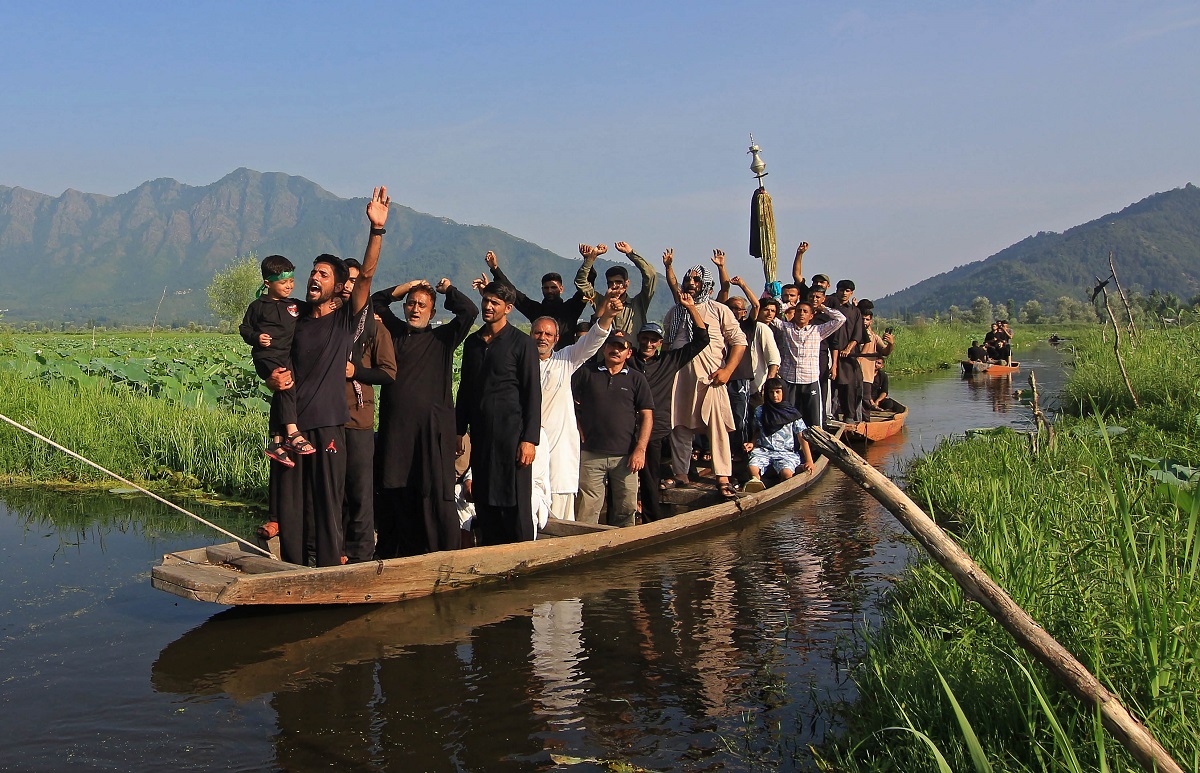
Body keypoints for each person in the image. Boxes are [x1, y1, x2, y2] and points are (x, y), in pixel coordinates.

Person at [263, 186, 391, 567]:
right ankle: (294, 570)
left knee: (327, 503)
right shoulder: (294, 317)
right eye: (313, 272)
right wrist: (270, 377)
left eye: (323, 274)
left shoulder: (344, 319)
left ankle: (331, 571)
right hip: (291, 429)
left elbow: (366, 275)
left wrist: (376, 231)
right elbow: (269, 353)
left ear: (337, 286)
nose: (313, 277)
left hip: (329, 427)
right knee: (292, 507)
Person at [372, 276, 478, 557]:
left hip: (432, 431)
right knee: (396, 490)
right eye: (411, 304)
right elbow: (376, 301)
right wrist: (406, 287)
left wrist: (448, 291)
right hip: (397, 431)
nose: (415, 309)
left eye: (422, 305)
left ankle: (438, 553)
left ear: (432, 313)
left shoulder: (442, 339)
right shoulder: (394, 333)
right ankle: (397, 552)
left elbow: (469, 311)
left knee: (432, 493)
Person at [456, 278, 541, 545]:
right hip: (481, 436)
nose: (488, 306)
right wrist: (459, 431)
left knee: (514, 502)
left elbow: (532, 394)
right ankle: (490, 554)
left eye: (495, 302)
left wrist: (529, 439)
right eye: (486, 300)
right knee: (484, 497)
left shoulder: (521, 344)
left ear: (508, 308)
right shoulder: (473, 344)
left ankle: (522, 557)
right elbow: (465, 391)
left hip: (512, 438)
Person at [531, 286, 623, 522]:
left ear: (556, 339)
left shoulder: (565, 360)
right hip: (528, 449)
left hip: (559, 452)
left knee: (560, 516)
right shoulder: (519, 365)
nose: (543, 338)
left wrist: (608, 316)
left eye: (548, 335)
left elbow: (592, 341)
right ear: (530, 335)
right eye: (538, 333)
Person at [663, 258, 747, 499]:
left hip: (711, 378)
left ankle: (722, 476)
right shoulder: (675, 312)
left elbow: (739, 342)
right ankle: (680, 474)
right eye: (688, 278)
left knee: (717, 426)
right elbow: (668, 345)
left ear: (706, 286)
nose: (691, 283)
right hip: (679, 378)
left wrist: (728, 370)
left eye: (696, 280)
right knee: (678, 425)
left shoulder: (719, 310)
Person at [629, 295, 709, 520]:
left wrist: (692, 309)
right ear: (638, 339)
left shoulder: (669, 361)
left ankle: (651, 520)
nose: (648, 344)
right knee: (623, 477)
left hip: (655, 429)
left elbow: (702, 340)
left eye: (653, 340)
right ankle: (624, 516)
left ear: (660, 342)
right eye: (645, 339)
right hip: (626, 428)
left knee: (650, 478)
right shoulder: (628, 361)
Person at [339, 259, 397, 564]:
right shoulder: (330, 323)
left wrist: (356, 371)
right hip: (328, 419)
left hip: (358, 419)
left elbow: (388, 373)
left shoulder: (375, 329)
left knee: (360, 491)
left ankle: (361, 554)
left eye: (354, 281)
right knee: (334, 492)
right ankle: (334, 550)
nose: (349, 286)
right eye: (345, 281)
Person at [572, 330, 655, 527]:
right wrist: (576, 426)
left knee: (626, 508)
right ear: (604, 347)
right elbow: (568, 402)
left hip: (626, 456)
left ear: (629, 353)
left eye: (621, 347)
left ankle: (623, 550)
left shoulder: (636, 379)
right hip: (591, 453)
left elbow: (647, 416)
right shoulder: (586, 373)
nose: (615, 350)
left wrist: (640, 450)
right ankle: (585, 549)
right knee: (587, 509)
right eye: (612, 345)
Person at [239, 254, 311, 467]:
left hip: (284, 357)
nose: (289, 286)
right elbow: (245, 328)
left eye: (291, 281)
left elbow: (318, 310)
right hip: (266, 357)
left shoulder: (295, 306)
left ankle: (276, 442)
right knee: (286, 384)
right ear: (267, 283)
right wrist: (256, 337)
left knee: (282, 394)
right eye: (283, 283)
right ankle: (292, 432)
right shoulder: (258, 306)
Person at [484, 249, 589, 350]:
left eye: (553, 287)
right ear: (542, 289)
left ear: (561, 289)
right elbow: (513, 292)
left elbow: (586, 288)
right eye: (546, 288)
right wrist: (495, 269)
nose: (550, 291)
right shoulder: (535, 310)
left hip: (565, 362)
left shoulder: (571, 309)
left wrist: (589, 260)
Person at [772, 297, 845, 432]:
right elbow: (771, 316)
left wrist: (822, 308)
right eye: (799, 311)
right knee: (788, 416)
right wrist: (787, 305)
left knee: (814, 419)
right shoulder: (786, 328)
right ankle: (790, 446)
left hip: (809, 380)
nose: (801, 314)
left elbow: (840, 319)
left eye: (805, 311)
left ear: (811, 316)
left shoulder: (818, 331)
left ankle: (816, 447)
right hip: (789, 380)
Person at [742, 378, 815, 493]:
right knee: (752, 468)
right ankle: (757, 486)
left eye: (778, 392)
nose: (774, 395)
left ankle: (783, 486)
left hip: (785, 452)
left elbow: (802, 437)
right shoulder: (760, 411)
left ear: (784, 392)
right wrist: (752, 443)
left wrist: (809, 460)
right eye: (771, 392)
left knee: (786, 473)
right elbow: (757, 430)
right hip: (764, 450)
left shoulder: (792, 413)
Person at [576, 241, 657, 335]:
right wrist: (591, 257)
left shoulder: (639, 304)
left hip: (633, 349)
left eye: (618, 282)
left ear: (627, 283)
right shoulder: (601, 301)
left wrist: (630, 253)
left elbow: (651, 276)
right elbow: (581, 283)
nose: (614, 286)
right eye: (610, 282)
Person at [828, 279, 866, 422]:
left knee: (849, 387)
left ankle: (849, 416)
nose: (844, 293)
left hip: (848, 356)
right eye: (841, 290)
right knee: (831, 387)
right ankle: (830, 416)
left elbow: (858, 334)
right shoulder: (830, 308)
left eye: (847, 291)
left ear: (851, 293)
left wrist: (849, 348)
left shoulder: (855, 311)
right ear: (837, 291)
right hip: (830, 353)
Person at [856, 304, 894, 413]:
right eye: (862, 319)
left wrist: (891, 344)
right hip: (853, 373)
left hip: (866, 376)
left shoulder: (874, 337)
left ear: (870, 322)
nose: (864, 321)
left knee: (865, 403)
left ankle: (864, 425)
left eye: (867, 319)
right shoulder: (853, 335)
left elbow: (885, 351)